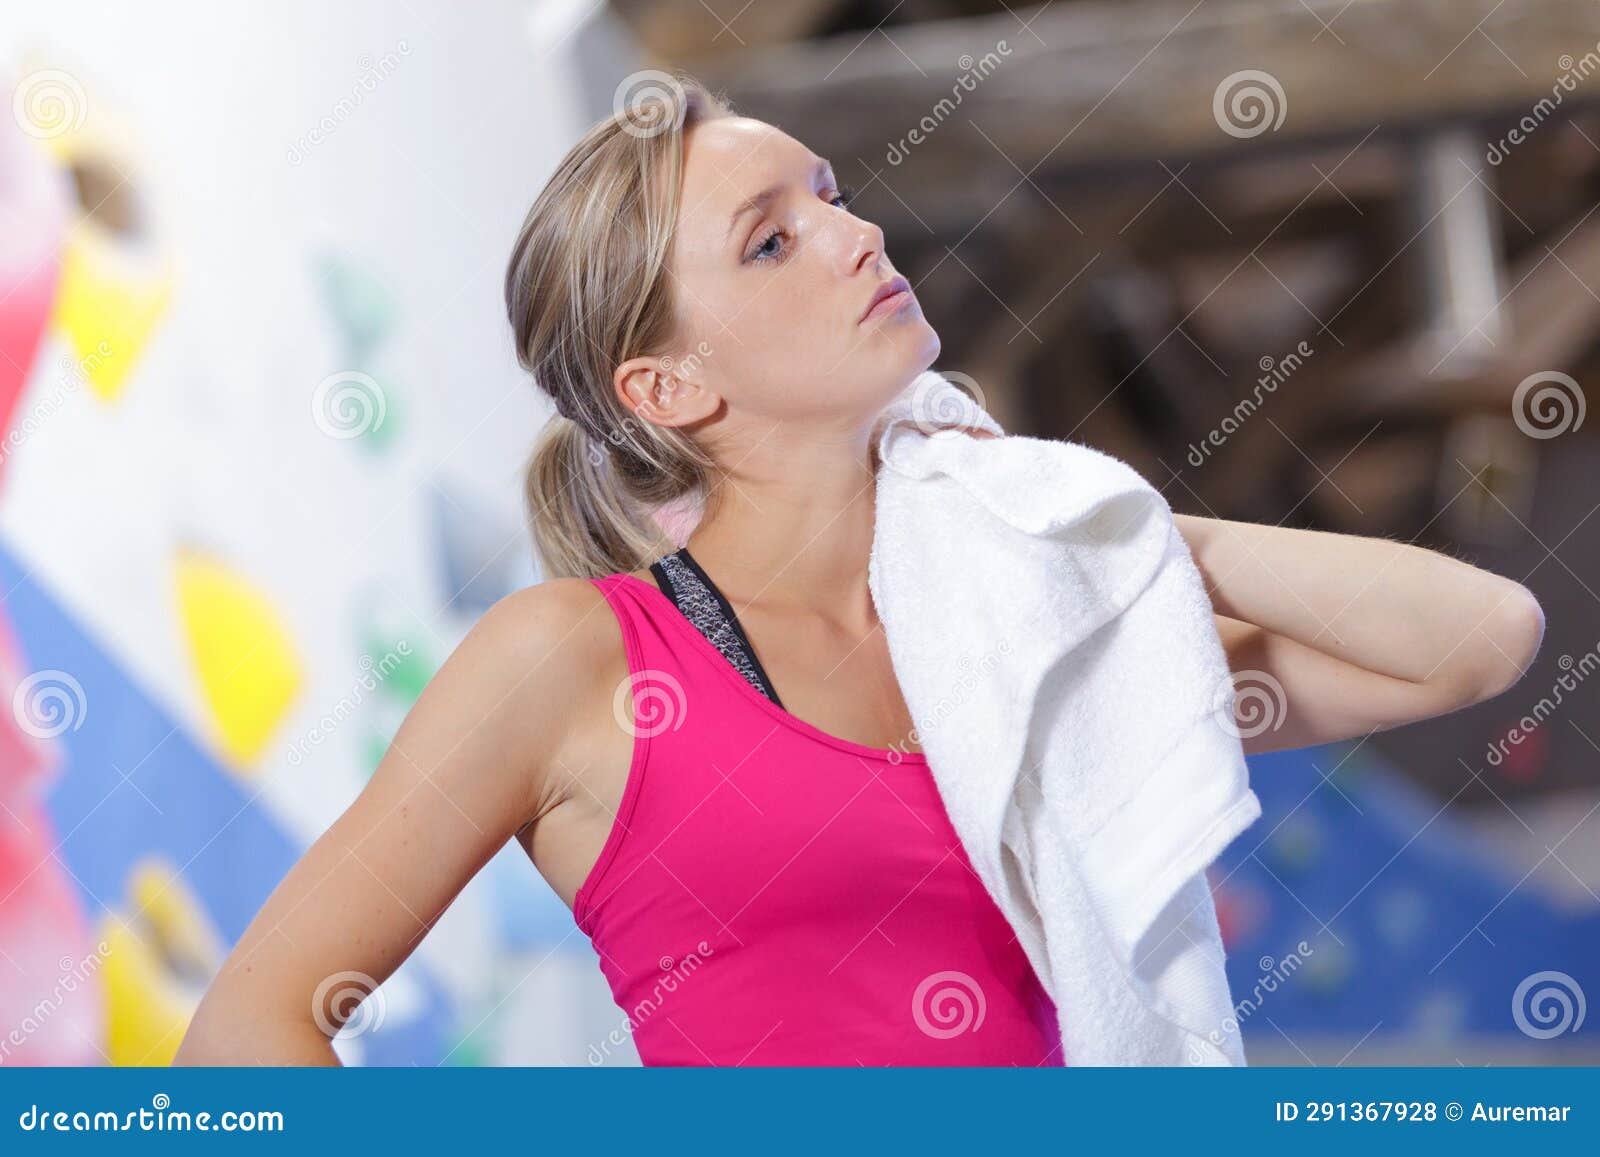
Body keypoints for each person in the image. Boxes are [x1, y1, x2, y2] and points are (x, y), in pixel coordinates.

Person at [175, 75, 1544, 1067]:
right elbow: (249, 1025)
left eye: (827, 199)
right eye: (772, 239)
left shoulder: (1022, 632)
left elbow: (1474, 638)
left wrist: (1111, 528)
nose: (857, 236)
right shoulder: (572, 662)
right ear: (667, 386)